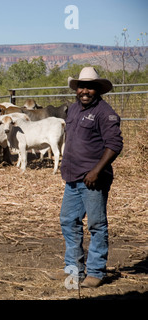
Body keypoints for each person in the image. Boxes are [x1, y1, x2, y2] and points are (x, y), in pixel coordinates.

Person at [51, 67, 124, 288]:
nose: (85, 91)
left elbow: (114, 144)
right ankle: (74, 268)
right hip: (72, 178)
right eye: (82, 86)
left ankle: (95, 271)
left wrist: (96, 171)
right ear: (77, 89)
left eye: (90, 87)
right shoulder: (72, 110)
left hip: (93, 178)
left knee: (96, 224)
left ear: (97, 90)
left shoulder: (105, 112)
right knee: (68, 221)